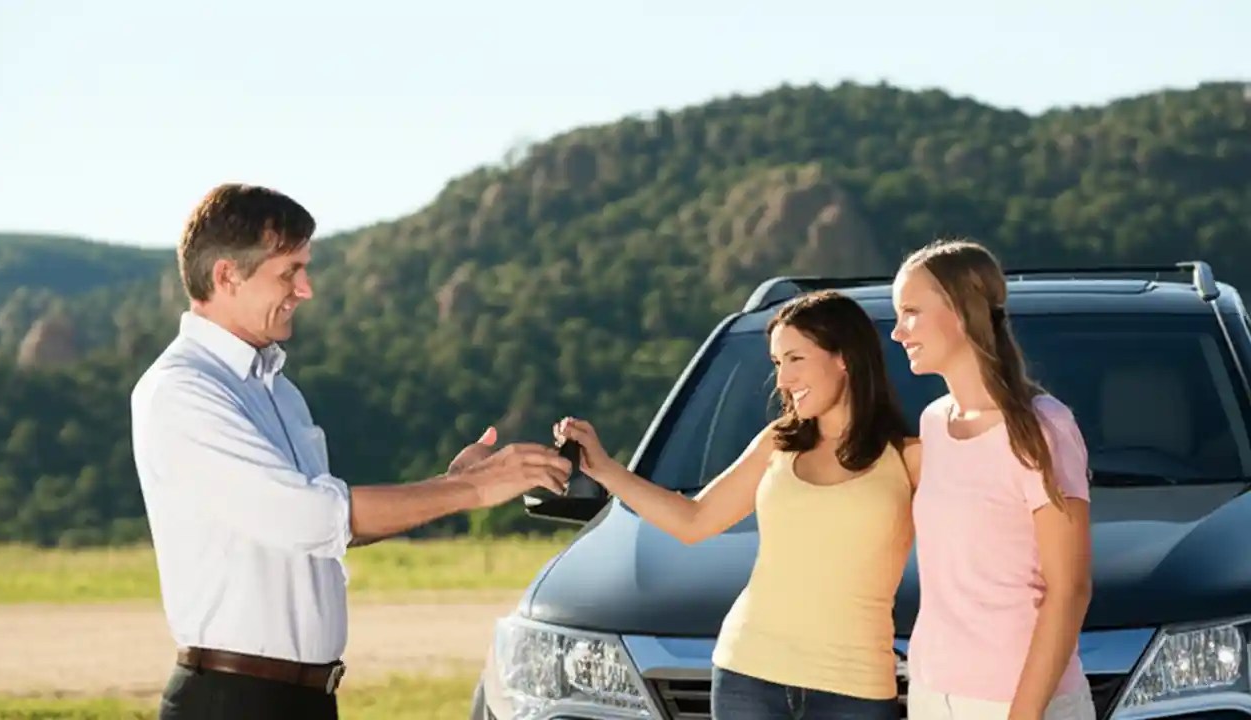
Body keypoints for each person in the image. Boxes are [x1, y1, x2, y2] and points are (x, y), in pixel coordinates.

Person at [129, 182, 572, 720]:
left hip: (305, 700)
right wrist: (472, 489)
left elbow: (332, 528)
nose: (305, 289)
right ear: (226, 275)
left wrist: (447, 483)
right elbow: (314, 518)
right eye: (288, 271)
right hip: (231, 702)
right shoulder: (184, 391)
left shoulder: (278, 393)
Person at [555, 290, 919, 720]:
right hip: (749, 672)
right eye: (778, 363)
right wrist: (606, 470)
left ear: (845, 357)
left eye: (796, 359)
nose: (783, 380)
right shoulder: (777, 443)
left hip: (854, 687)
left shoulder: (909, 457)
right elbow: (695, 520)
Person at [889, 239, 1095, 720]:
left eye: (912, 312)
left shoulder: (1044, 427)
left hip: (1022, 703)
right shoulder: (934, 423)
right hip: (931, 695)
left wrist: (1023, 714)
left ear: (960, 312)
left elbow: (1071, 589)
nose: (898, 332)